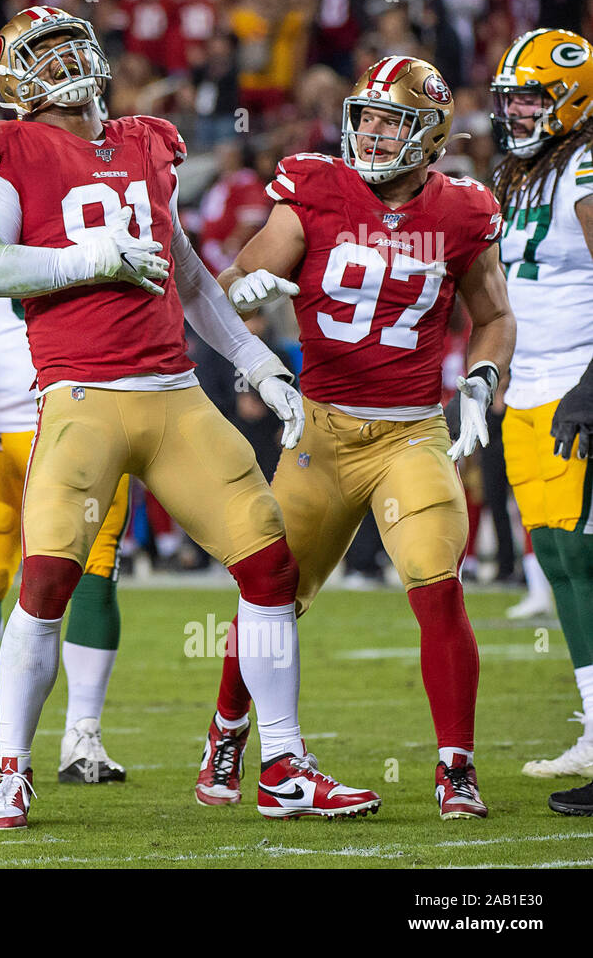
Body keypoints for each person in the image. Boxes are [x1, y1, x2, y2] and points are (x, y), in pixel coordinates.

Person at [0, 5, 378, 829]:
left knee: (269, 568)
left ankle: (283, 761)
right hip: (81, 395)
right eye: (43, 54)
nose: (66, 61)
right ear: (13, 81)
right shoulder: (7, 149)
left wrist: (258, 362)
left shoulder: (148, 141)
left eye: (72, 43)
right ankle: (11, 767)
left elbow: (187, 270)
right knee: (45, 581)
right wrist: (98, 257)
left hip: (177, 392)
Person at [198, 55, 514, 820]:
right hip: (321, 429)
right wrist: (255, 292)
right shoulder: (313, 186)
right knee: (271, 593)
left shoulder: (463, 210)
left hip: (410, 433)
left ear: (430, 136)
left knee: (437, 582)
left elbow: (494, 316)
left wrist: (480, 381)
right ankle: (227, 730)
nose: (371, 133)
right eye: (366, 117)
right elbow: (233, 282)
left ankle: (456, 766)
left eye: (390, 122)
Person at [0, 176, 128, 782]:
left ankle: (83, 737)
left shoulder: (107, 199)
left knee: (93, 574)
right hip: (3, 433)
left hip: (86, 422)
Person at [489, 29, 593, 796]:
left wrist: (591, 386)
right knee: (558, 558)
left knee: (584, 559)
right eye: (512, 97)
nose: (519, 110)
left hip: (573, 386)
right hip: (526, 389)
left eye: (533, 95)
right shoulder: (522, 171)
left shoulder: (584, 165)